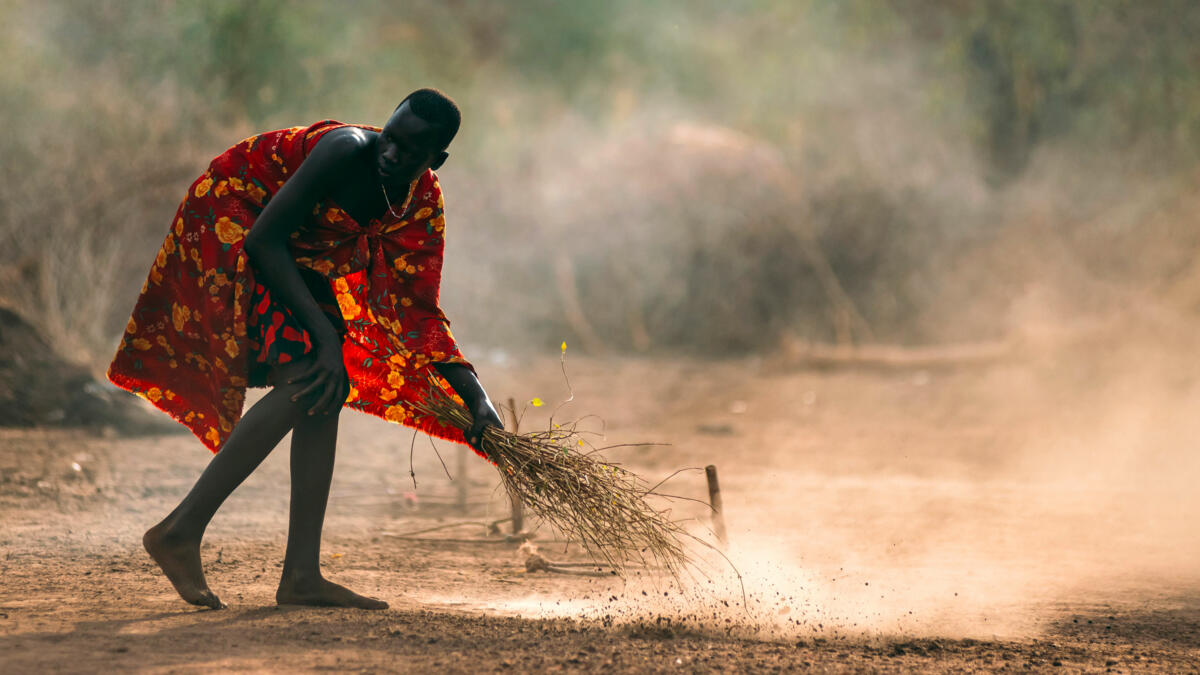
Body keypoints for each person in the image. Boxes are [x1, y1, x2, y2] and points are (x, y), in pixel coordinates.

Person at [107, 88, 503, 610]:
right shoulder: (343, 150)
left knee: (324, 385)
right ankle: (179, 532)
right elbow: (263, 240)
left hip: (299, 254)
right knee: (313, 376)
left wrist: (477, 398)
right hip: (234, 222)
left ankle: (301, 576)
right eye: (390, 139)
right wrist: (325, 341)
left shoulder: (421, 204)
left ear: (436, 161)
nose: (391, 155)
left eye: (409, 153)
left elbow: (419, 308)